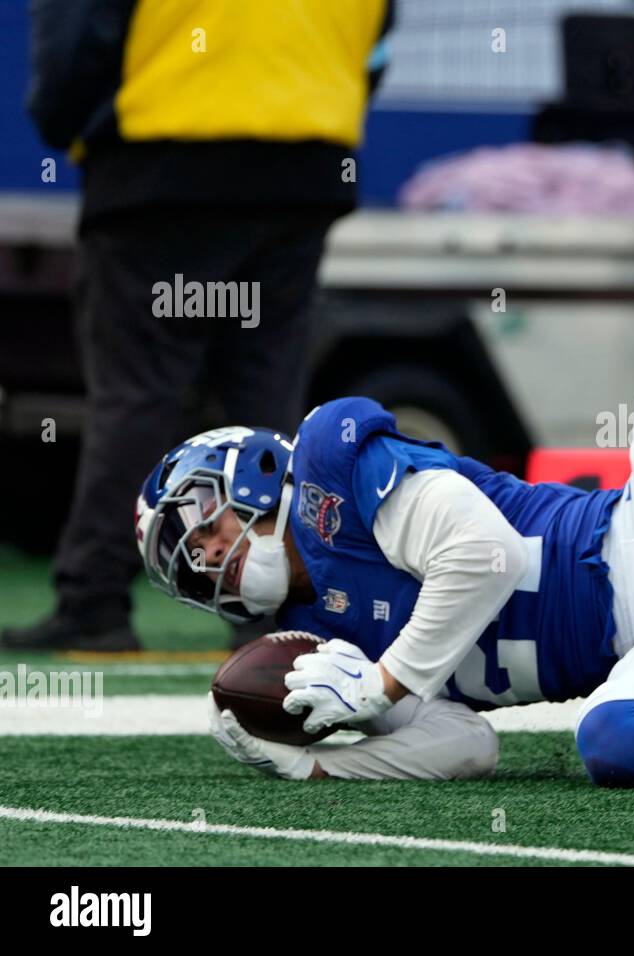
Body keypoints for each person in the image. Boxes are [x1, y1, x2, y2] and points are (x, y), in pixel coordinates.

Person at [134, 79, 634, 786]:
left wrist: (384, 685)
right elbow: (465, 743)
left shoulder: (330, 463)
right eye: (188, 566)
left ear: (251, 472)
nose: (204, 561)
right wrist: (321, 762)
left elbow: (481, 554)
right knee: (613, 743)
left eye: (199, 527)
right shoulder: (332, 643)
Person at [4, 0, 394, 653]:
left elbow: (73, 46)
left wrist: (74, 122)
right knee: (267, 396)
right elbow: (376, 42)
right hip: (305, 159)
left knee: (139, 391)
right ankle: (275, 604)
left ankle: (94, 600)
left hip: (160, 161)